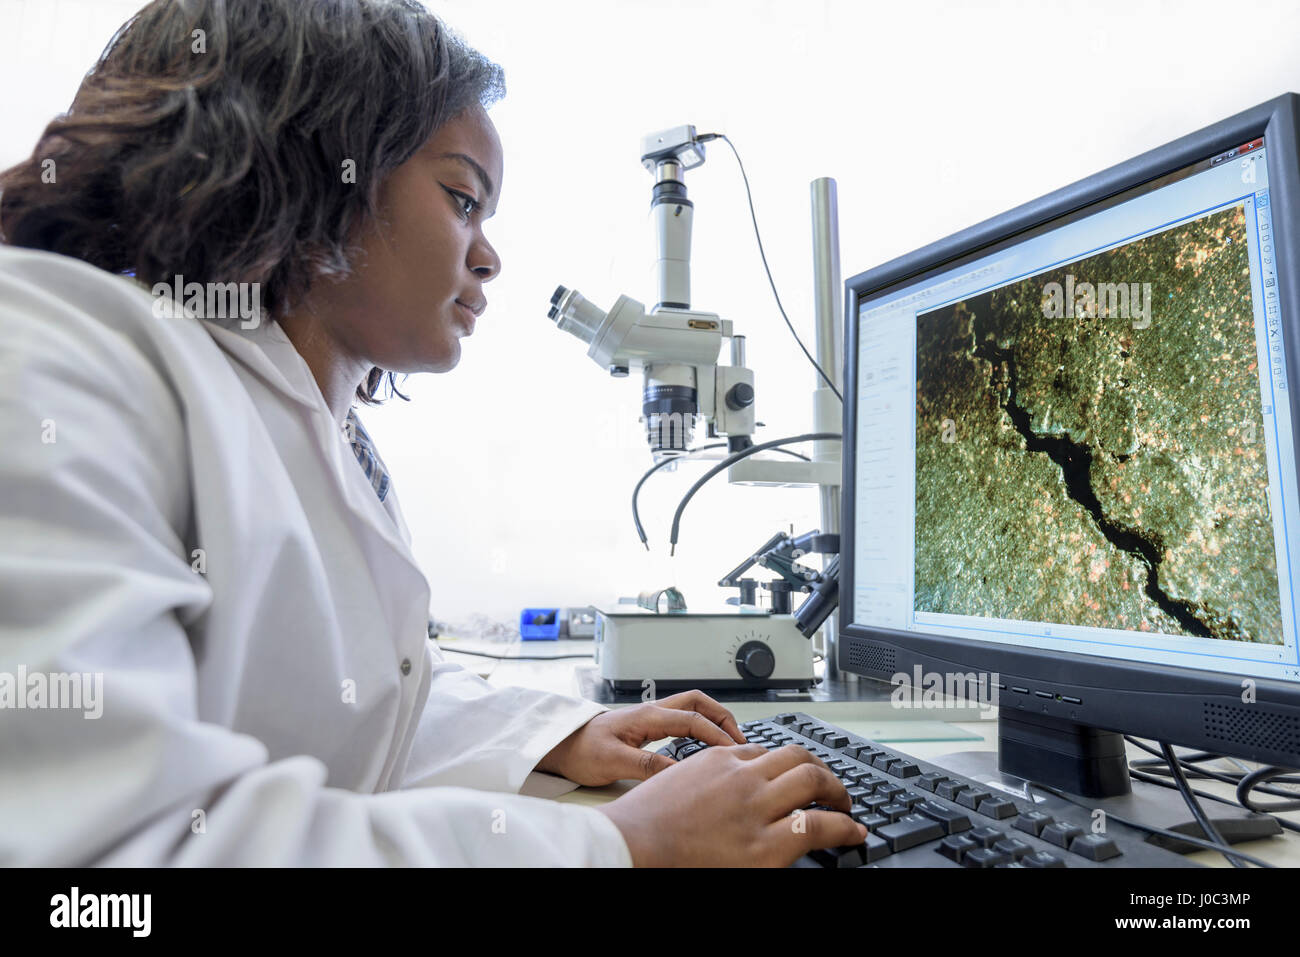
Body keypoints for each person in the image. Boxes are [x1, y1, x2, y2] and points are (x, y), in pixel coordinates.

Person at [0, 0, 865, 867]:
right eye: (462, 199)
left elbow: (355, 701)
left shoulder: (331, 448)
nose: (487, 257)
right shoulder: (55, 352)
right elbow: (104, 851)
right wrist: (616, 845)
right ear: (315, 164)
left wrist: (556, 731)